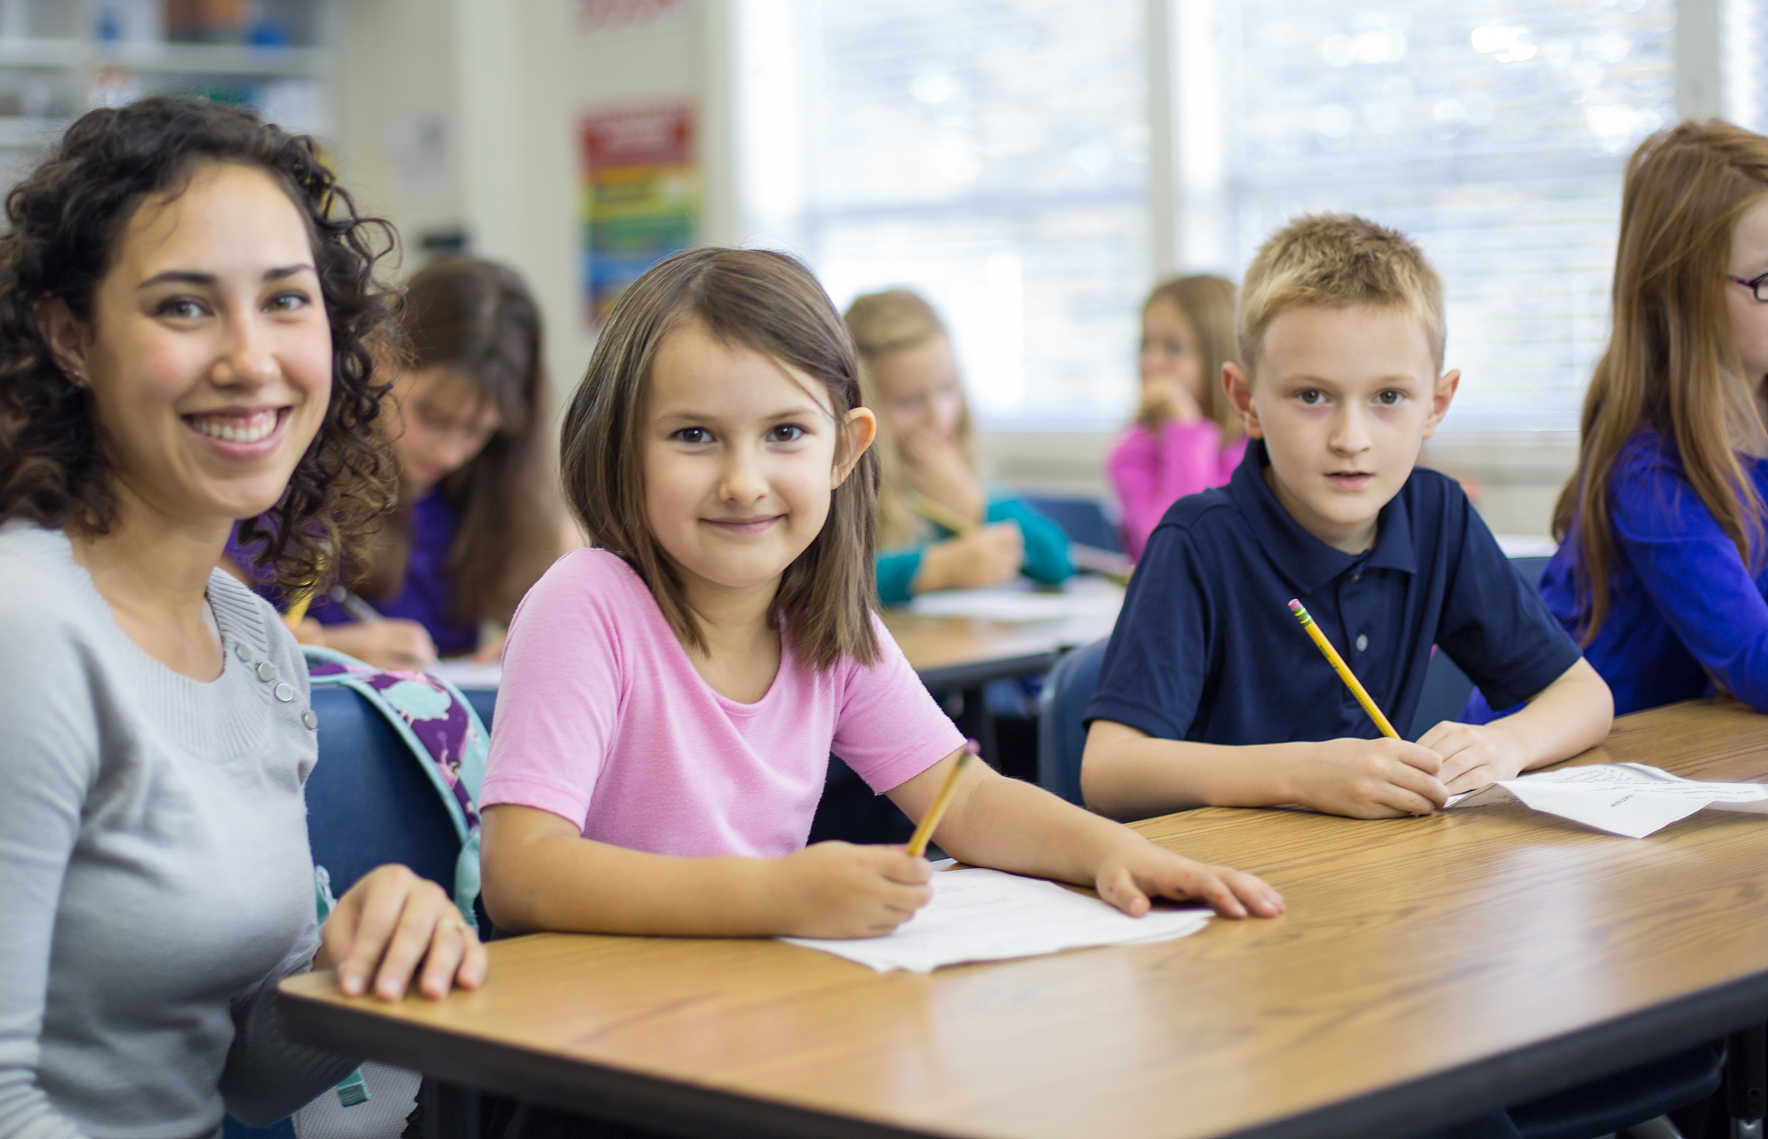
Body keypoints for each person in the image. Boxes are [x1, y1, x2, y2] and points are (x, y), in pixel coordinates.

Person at [0, 96, 486, 1139]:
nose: (251, 359)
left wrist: (349, 972)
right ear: (71, 337)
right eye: (184, 306)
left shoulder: (252, 644)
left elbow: (238, 1080)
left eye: (286, 301)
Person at [478, 247, 1283, 942]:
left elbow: (962, 801)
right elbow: (523, 872)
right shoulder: (585, 603)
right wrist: (777, 895)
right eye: (694, 435)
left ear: (845, 448)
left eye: (785, 433)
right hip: (593, 1048)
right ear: (621, 446)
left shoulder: (822, 619)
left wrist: (1119, 852)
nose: (743, 480)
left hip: (750, 1009)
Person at [1078, 213, 1613, 823]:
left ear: (1435, 405)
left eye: (1388, 398)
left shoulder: (1437, 515)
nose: (1351, 438)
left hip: (1366, 877)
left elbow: (1585, 697)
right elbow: (1110, 770)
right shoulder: (1198, 543)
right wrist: (1302, 774)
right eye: (1312, 396)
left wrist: (1503, 745)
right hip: (1227, 878)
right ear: (1245, 401)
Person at [1482, 120, 1768, 718]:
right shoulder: (1648, 467)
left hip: (1678, 757)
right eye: (1767, 281)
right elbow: (1753, 661)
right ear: (1681, 289)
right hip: (1549, 769)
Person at [226, 257, 569, 670]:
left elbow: (592, 601)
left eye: (477, 431)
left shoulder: (496, 494)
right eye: (433, 417)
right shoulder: (292, 479)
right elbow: (194, 629)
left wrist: (551, 639)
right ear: (382, 355)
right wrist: (328, 651)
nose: (448, 453)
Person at [842, 289, 1071, 605]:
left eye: (947, 390)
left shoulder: (955, 474)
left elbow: (1058, 563)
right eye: (909, 402)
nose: (938, 416)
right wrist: (938, 568)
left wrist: (971, 503)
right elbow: (826, 583)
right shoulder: (838, 486)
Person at [1106, 275, 1246, 560]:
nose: (1151, 362)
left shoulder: (1257, 445)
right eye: (1146, 344)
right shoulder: (1133, 453)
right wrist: (1186, 428)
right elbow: (1176, 546)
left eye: (1174, 348)